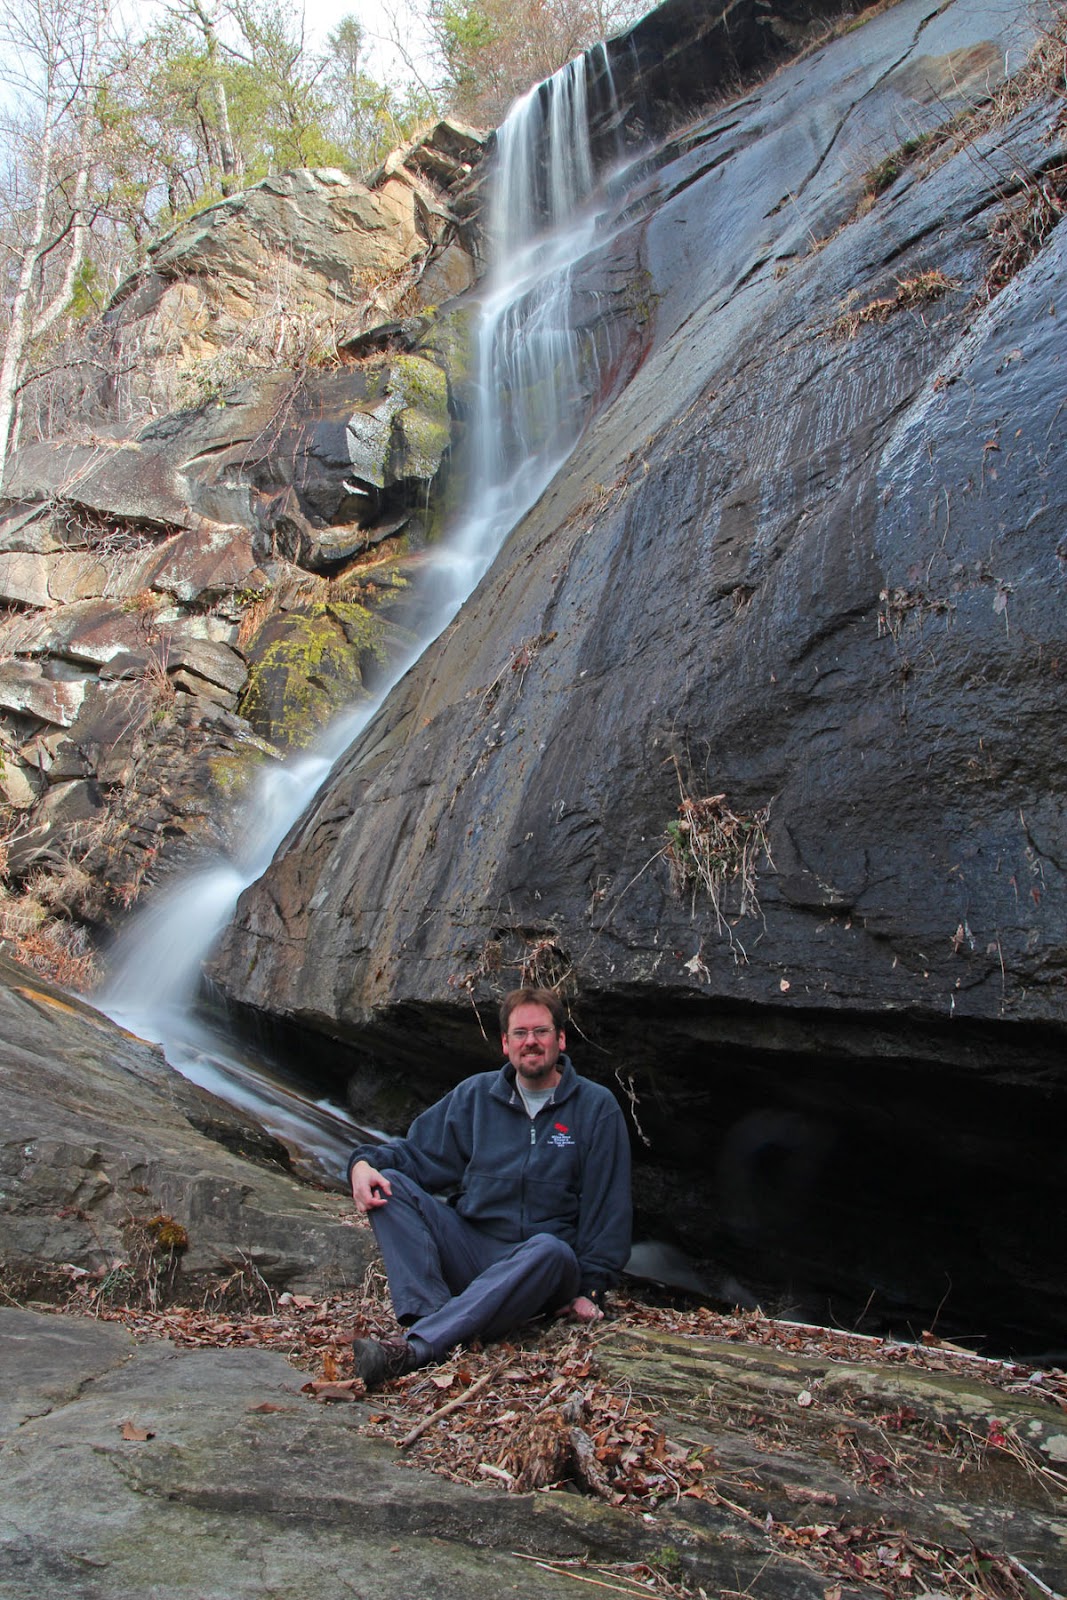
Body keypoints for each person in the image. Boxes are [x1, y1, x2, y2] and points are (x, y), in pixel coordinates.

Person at [346, 986, 632, 1388]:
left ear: (561, 1039)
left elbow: (609, 1206)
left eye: (541, 1031)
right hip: (474, 1248)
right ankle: (431, 1319)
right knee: (391, 1185)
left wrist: (592, 1289)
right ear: (505, 1043)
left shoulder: (595, 1108)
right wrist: (361, 1164)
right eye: (519, 1033)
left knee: (550, 1248)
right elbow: (415, 1156)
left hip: (542, 1268)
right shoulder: (476, 1096)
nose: (530, 1042)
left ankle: (418, 1347)